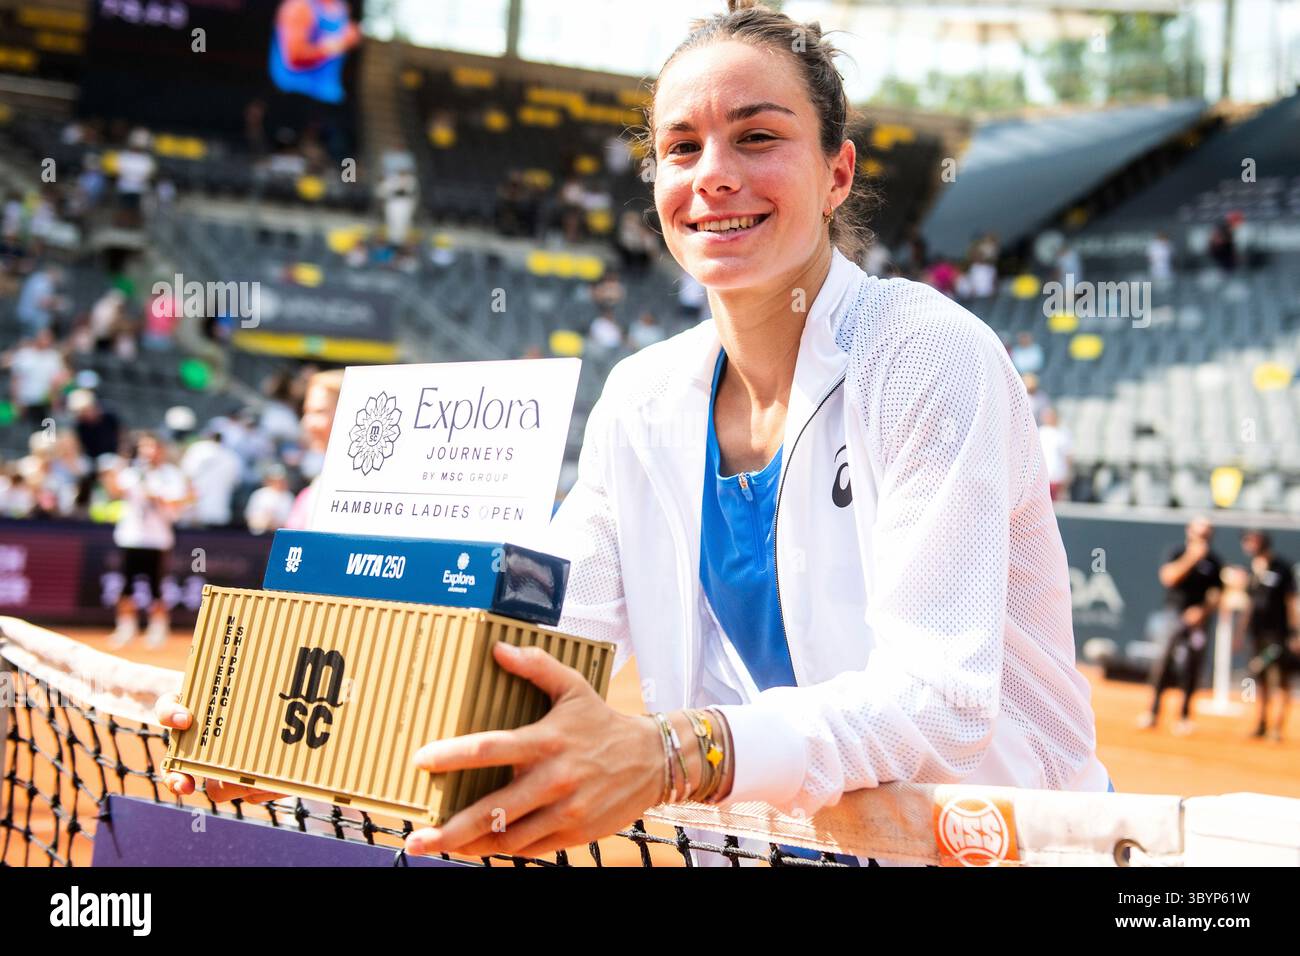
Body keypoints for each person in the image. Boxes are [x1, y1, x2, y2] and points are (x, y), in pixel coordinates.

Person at [157, 0, 1109, 861]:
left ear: (837, 172)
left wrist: (673, 754)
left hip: (999, 851)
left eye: (757, 136)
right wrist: (290, 727)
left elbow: (938, 704)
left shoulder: (926, 353)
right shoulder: (644, 397)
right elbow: (536, 626)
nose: (714, 177)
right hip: (769, 846)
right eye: (682, 147)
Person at [103, 432, 193, 649]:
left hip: (158, 539)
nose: (148, 452)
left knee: (156, 587)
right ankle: (126, 627)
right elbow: (114, 491)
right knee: (125, 584)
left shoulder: (171, 474)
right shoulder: (132, 472)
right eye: (144, 447)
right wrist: (113, 470)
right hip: (131, 536)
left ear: (160, 450)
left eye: (152, 447)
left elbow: (181, 500)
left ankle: (158, 628)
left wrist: (158, 497)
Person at [1140, 517, 1223, 734]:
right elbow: (1169, 577)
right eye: (1199, 532)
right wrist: (1192, 557)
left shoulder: (1214, 562)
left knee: (1192, 667)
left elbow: (1216, 594)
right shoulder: (1177, 552)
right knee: (1163, 663)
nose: (1203, 537)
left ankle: (1184, 716)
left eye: (1207, 533)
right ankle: (1153, 712)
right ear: (1189, 532)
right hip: (1173, 616)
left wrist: (1202, 611)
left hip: (1198, 621)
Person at [1240, 530, 1298, 741]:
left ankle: (1277, 727)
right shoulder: (1252, 570)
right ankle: (1260, 723)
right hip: (1256, 635)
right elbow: (1248, 605)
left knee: (1281, 680)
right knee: (1258, 680)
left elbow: (1292, 601)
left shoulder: (1282, 568)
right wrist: (1240, 633)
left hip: (1278, 635)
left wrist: (1295, 633)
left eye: (1252, 541)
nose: (1248, 545)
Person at [1037, 407, 1072, 501]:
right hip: (1043, 479)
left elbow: (1068, 458)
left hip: (1058, 478)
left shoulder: (1063, 433)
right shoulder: (1040, 432)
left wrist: (1066, 479)